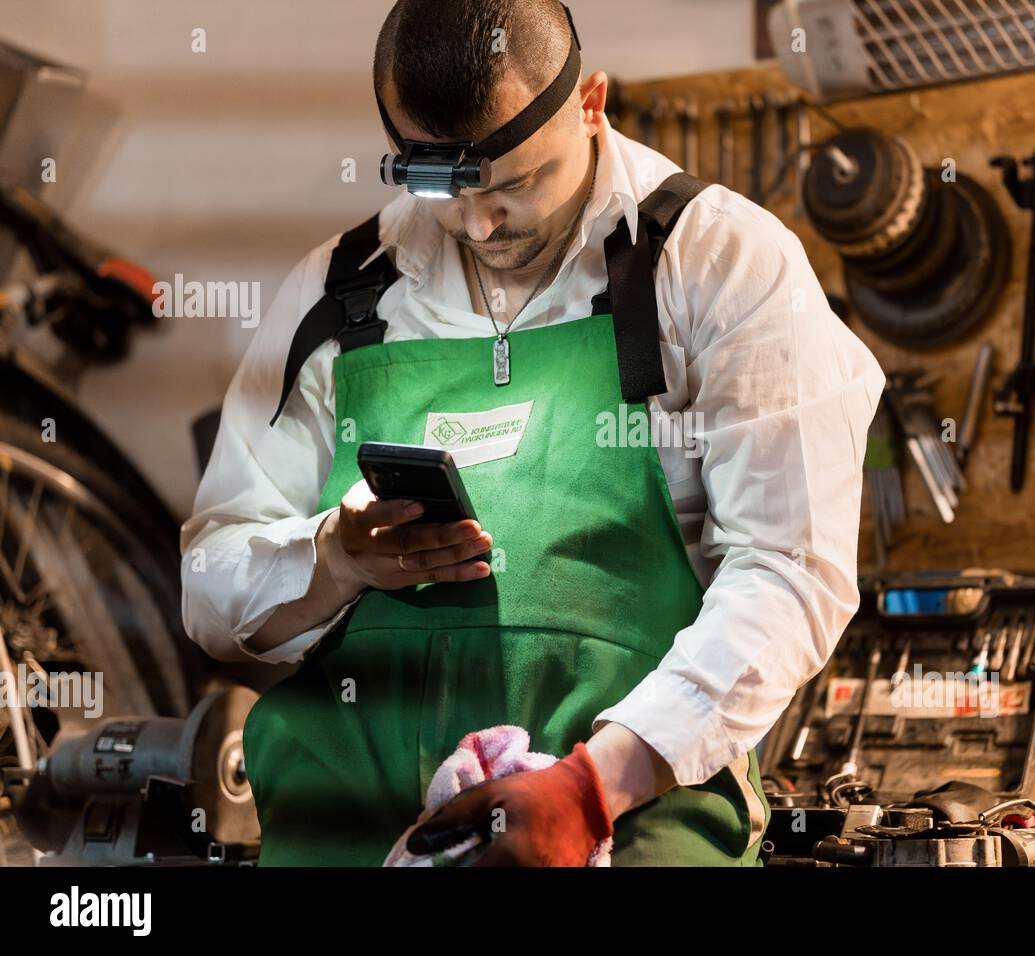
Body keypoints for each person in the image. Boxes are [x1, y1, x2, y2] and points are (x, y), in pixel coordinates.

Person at [180, 0, 885, 866]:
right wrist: (332, 563)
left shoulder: (721, 266)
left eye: (515, 182)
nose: (481, 225)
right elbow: (210, 584)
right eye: (444, 188)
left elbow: (791, 570)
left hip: (629, 803)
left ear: (590, 103)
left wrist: (593, 787)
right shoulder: (336, 294)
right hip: (348, 811)